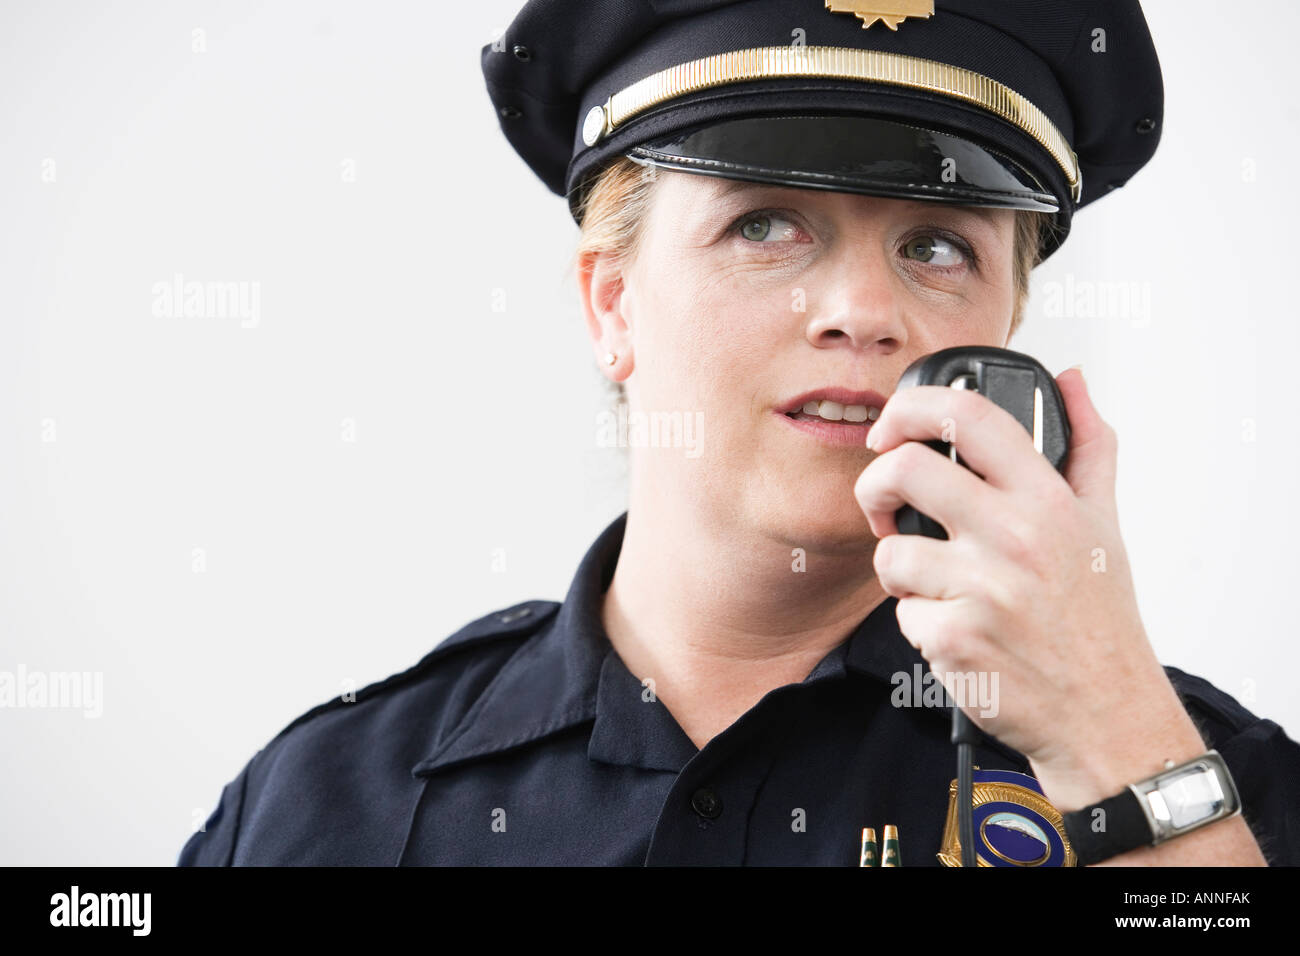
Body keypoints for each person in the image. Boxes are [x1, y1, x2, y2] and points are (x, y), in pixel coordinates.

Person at [179, 0, 1300, 866]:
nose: (863, 309)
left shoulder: (1214, 782)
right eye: (764, 224)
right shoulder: (325, 805)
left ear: (1004, 326)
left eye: (939, 246)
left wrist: (1129, 754)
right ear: (611, 305)